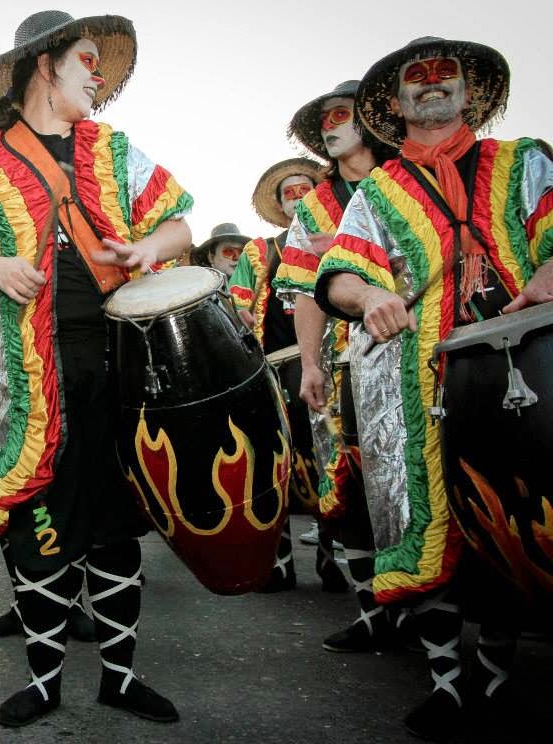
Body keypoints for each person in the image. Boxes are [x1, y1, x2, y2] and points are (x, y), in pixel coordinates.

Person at [0, 10, 192, 727]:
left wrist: (147, 249)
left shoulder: (114, 149)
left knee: (114, 531)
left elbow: (180, 224)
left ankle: (120, 678)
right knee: (40, 531)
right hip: (31, 376)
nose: (97, 74)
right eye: (84, 58)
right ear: (44, 64)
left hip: (118, 363)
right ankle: (43, 683)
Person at [314, 37, 553, 741]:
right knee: (424, 519)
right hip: (417, 379)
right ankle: (448, 682)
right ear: (394, 102)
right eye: (414, 76)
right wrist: (371, 296)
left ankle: (500, 676)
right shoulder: (378, 191)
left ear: (469, 89)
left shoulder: (525, 161)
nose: (430, 82)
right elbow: (338, 275)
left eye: (443, 71)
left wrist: (548, 274)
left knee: (508, 512)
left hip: (521, 363)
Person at [272, 81, 405, 653]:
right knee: (347, 482)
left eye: (343, 114)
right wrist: (310, 365)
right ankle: (372, 609)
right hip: (347, 361)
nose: (331, 124)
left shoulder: (410, 179)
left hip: (424, 351)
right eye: (324, 117)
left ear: (372, 120)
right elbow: (304, 291)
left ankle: (429, 611)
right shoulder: (318, 205)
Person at [228, 157, 348, 594]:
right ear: (280, 204)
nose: (298, 198)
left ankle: (330, 557)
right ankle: (279, 564)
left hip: (324, 363)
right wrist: (238, 309)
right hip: (274, 367)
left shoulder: (343, 237)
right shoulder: (261, 251)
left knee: (327, 462)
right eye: (290, 193)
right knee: (272, 465)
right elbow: (239, 298)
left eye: (305, 190)